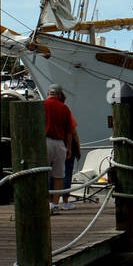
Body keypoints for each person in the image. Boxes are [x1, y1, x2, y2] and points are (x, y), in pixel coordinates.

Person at [44, 85, 74, 214]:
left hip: (43, 142)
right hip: (59, 143)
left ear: (48, 93)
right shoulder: (64, 108)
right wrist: (68, 148)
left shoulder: (41, 105)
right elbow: (69, 131)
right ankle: (55, 205)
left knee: (42, 174)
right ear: (60, 94)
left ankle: (44, 203)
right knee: (58, 176)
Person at [56, 88, 81, 210]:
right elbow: (73, 132)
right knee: (67, 173)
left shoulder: (48, 109)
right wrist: (77, 149)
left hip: (55, 143)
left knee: (54, 173)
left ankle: (53, 201)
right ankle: (65, 200)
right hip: (66, 145)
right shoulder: (66, 111)